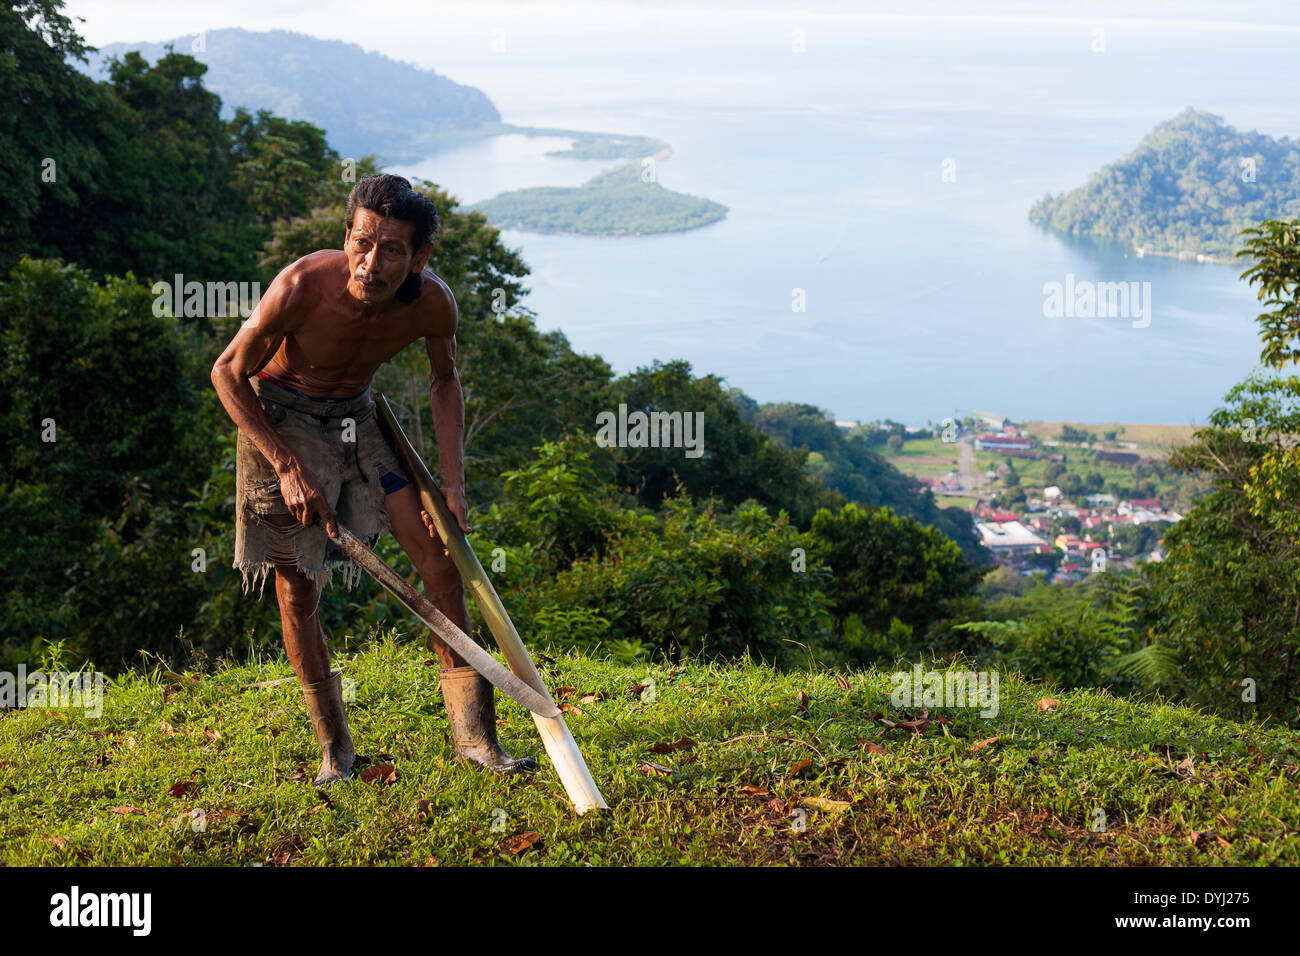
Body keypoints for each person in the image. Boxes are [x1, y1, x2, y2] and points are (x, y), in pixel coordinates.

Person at [210, 173, 536, 785]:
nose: (371, 263)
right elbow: (227, 372)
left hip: (359, 420)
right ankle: (335, 748)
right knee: (297, 590)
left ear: (419, 256)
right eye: (363, 243)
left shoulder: (433, 303)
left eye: (391, 251)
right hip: (281, 417)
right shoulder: (303, 285)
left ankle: (475, 741)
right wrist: (285, 465)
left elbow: (444, 381)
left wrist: (453, 486)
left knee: (442, 566)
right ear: (347, 236)